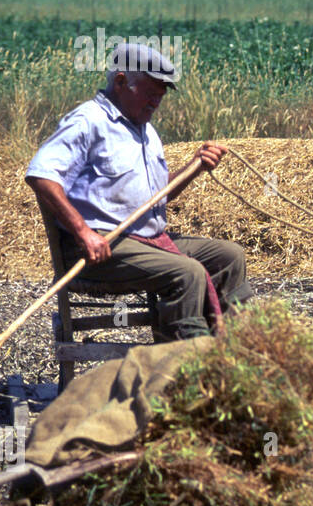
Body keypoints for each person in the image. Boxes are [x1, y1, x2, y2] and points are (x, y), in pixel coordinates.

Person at [26, 42, 252, 341]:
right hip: (103, 248)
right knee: (187, 273)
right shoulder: (87, 121)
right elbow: (41, 176)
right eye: (150, 91)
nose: (157, 100)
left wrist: (195, 166)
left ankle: (237, 350)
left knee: (229, 256)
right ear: (121, 81)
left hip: (149, 241)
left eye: (161, 94)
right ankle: (184, 367)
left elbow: (159, 195)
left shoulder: (144, 129)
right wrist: (84, 233)